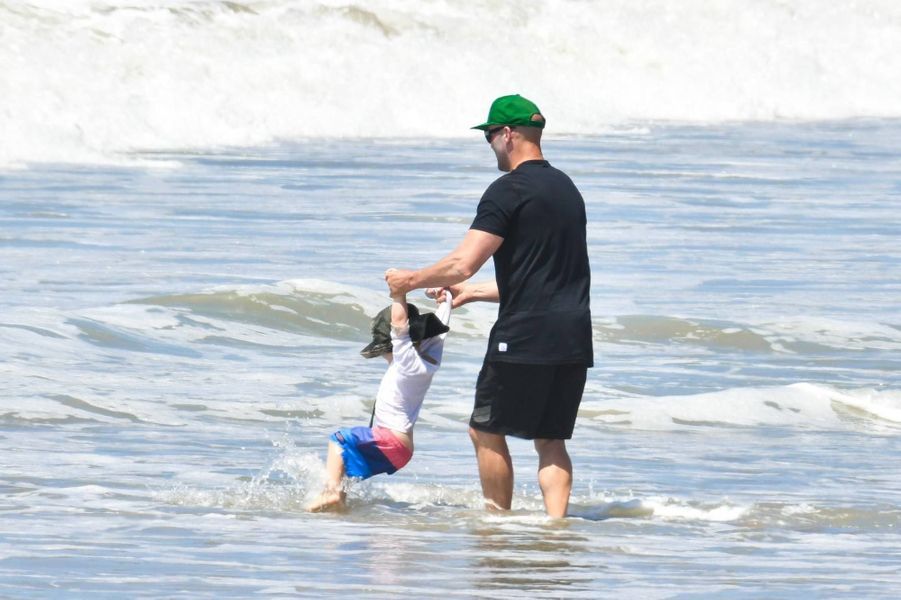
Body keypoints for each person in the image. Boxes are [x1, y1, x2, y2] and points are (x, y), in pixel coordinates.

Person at [385, 94, 592, 518]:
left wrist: (411, 280)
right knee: (551, 439)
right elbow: (546, 276)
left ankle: (497, 523)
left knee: (485, 429)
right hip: (573, 334)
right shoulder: (567, 189)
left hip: (524, 334)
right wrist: (474, 293)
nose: (491, 146)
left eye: (490, 137)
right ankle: (557, 528)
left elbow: (462, 263)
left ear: (508, 135)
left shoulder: (508, 189)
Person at [305, 280, 452, 512]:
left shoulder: (407, 364)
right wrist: (445, 300)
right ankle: (339, 499)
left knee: (339, 440)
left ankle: (332, 493)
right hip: (399, 447)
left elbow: (400, 327)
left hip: (392, 441)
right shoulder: (429, 358)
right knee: (346, 465)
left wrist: (399, 293)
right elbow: (440, 330)